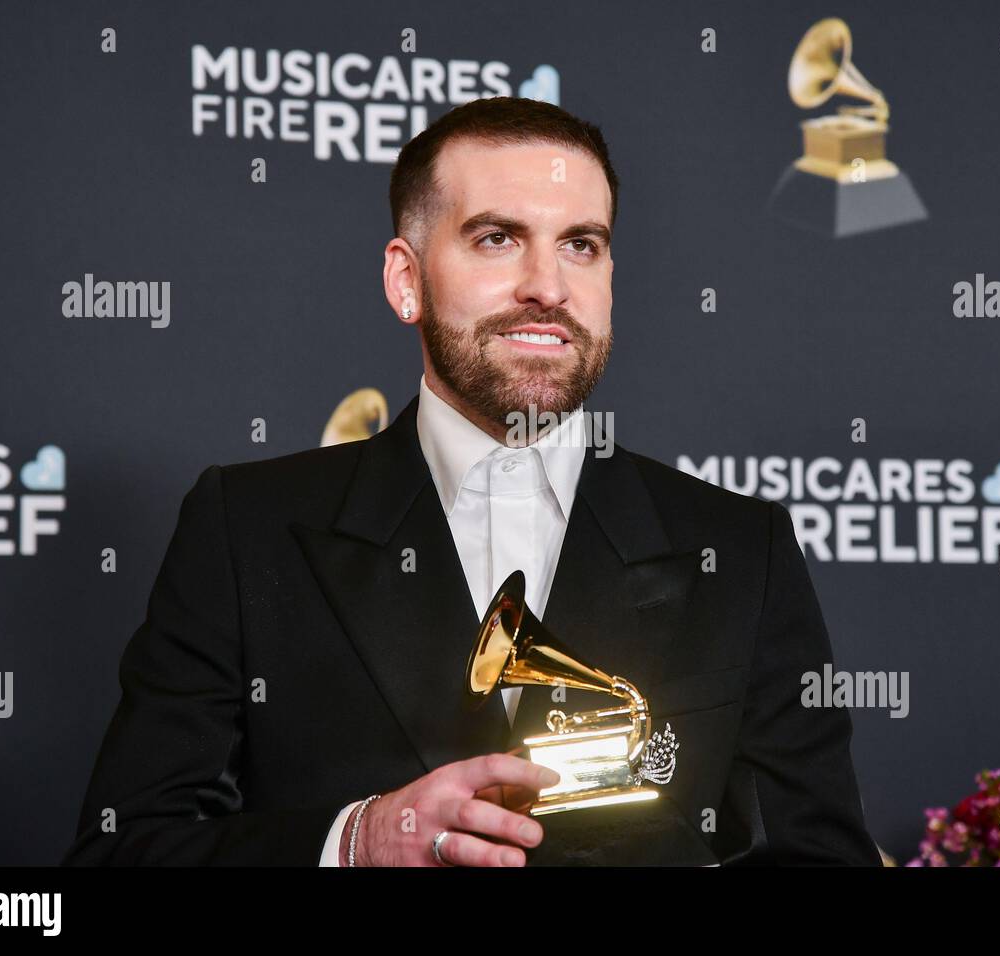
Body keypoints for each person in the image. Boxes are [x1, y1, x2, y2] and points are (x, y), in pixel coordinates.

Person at [63, 95, 880, 867]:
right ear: (406, 279)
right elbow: (123, 848)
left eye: (580, 245)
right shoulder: (246, 528)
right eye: (497, 238)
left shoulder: (740, 549)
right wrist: (357, 843)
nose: (548, 287)